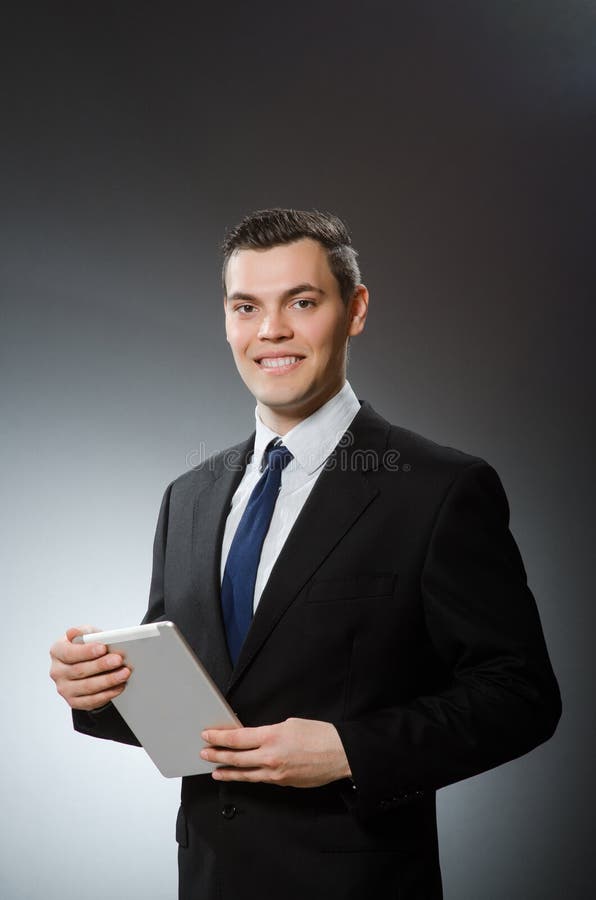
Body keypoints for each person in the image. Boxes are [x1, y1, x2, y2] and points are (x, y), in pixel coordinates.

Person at [49, 208, 561, 900]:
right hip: (209, 881)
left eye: (301, 302)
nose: (271, 331)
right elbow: (199, 703)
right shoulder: (188, 497)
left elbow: (521, 696)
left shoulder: (439, 489)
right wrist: (100, 690)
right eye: (246, 307)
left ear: (355, 310)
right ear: (227, 320)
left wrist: (351, 751)